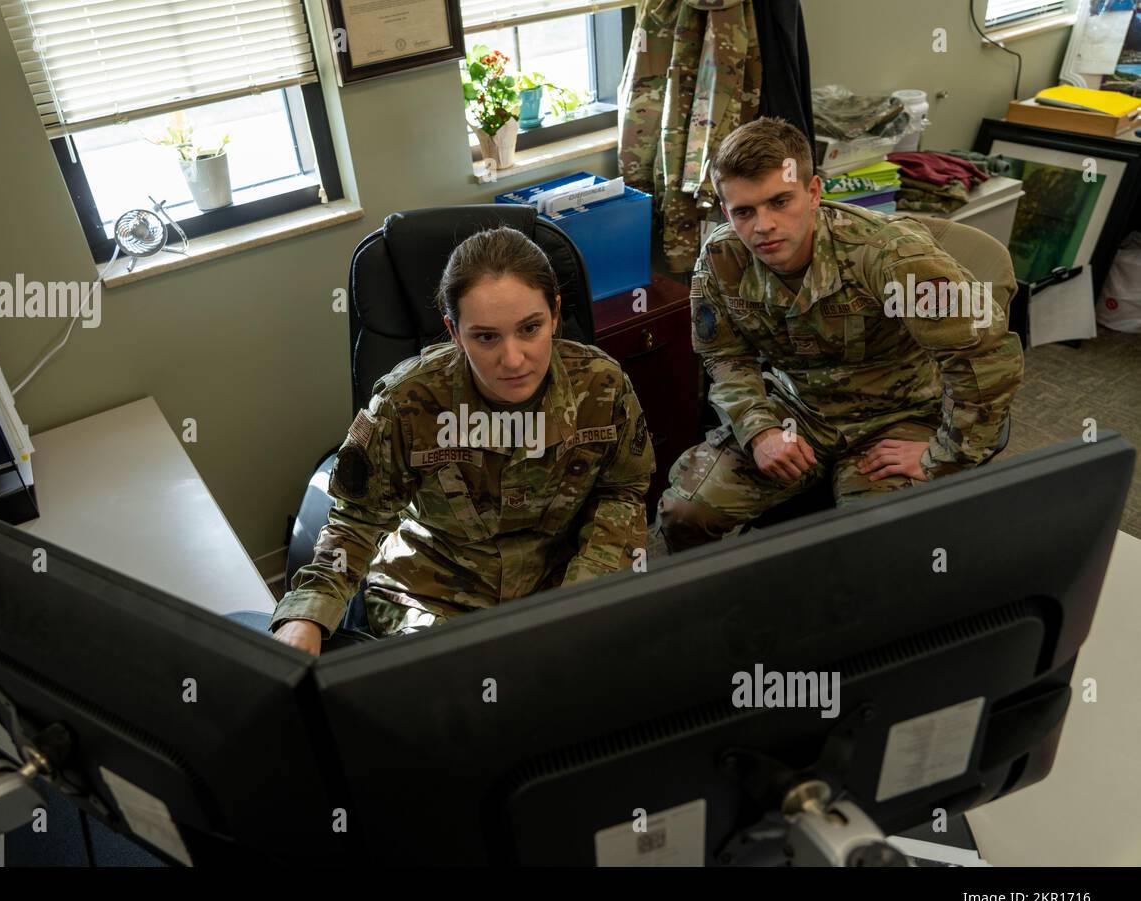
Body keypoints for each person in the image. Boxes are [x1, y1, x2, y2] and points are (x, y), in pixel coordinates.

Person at [271, 226, 655, 655]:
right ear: (454, 331)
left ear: (555, 314)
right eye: (486, 336)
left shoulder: (602, 387)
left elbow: (621, 492)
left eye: (530, 328)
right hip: (433, 592)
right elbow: (357, 521)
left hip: (558, 580)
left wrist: (583, 595)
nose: (512, 360)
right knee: (452, 694)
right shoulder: (407, 402)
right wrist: (307, 614)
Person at [658, 116, 1024, 551]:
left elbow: (986, 358)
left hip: (898, 417)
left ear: (813, 193)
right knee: (686, 512)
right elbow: (724, 355)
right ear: (726, 211)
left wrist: (945, 455)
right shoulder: (722, 258)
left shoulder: (889, 255)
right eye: (744, 211)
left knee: (870, 545)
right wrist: (759, 429)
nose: (764, 226)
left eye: (780, 201)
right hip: (800, 411)